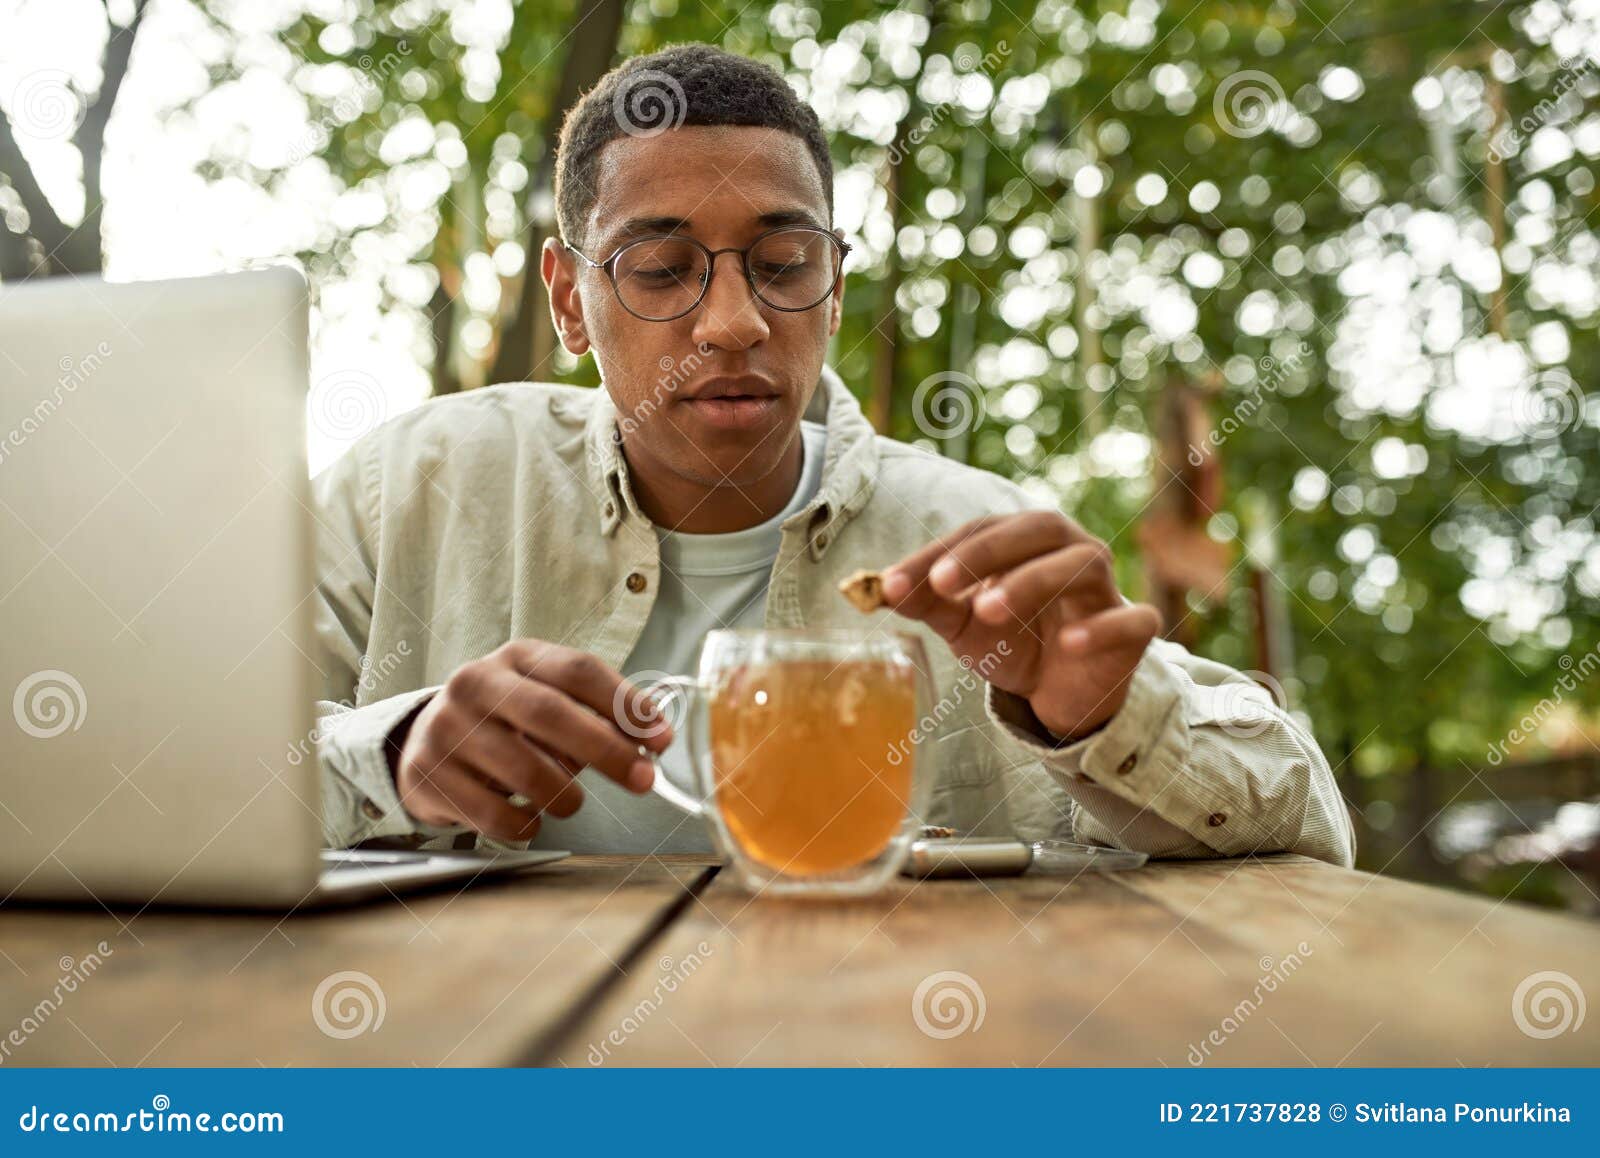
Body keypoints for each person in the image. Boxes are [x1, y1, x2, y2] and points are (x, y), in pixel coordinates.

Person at [310, 43, 1354, 867]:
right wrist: (392, 757)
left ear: (836, 286)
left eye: (782, 263)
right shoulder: (409, 488)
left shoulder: (975, 546)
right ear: (567, 299)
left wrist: (1107, 719)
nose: (731, 321)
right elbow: (171, 772)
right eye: (661, 268)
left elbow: (1312, 825)